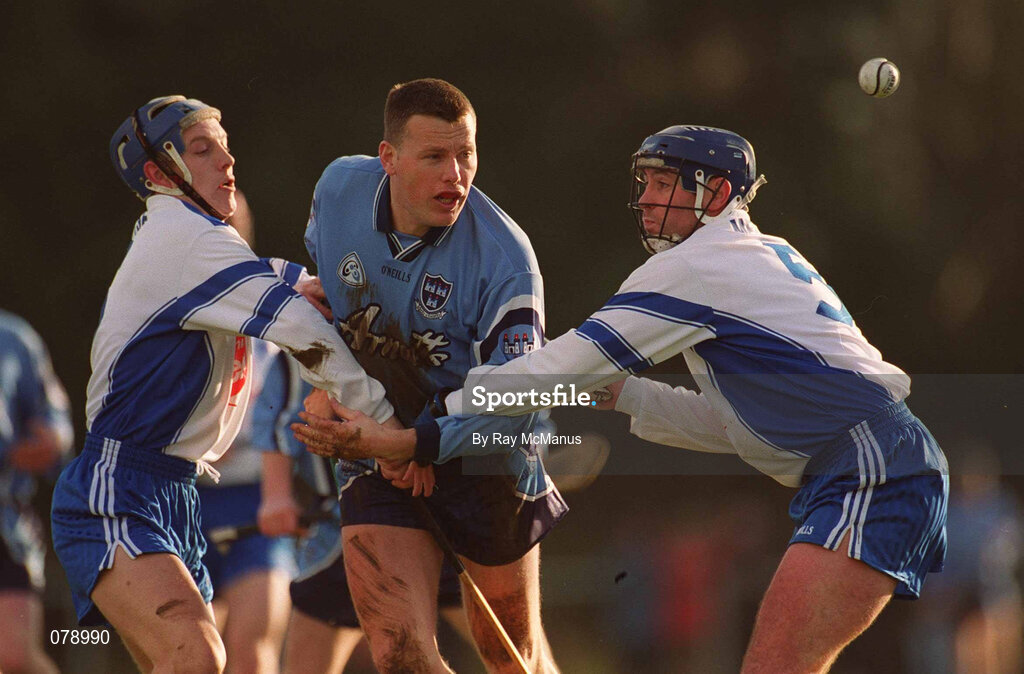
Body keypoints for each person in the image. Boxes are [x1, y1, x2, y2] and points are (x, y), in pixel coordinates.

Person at [299, 125, 950, 673]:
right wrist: (621, 393)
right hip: (876, 462)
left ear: (717, 194)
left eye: (667, 183)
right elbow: (737, 427)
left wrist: (426, 429)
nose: (647, 197)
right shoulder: (756, 252)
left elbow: (560, 366)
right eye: (646, 181)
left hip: (871, 468)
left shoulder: (697, 265)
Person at [50, 95, 394, 674]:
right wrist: (390, 431)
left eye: (226, 147)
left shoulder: (189, 235)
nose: (228, 161)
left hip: (174, 490)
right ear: (160, 174)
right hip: (118, 489)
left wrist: (307, 284)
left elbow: (275, 281)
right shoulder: (184, 235)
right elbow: (306, 333)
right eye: (202, 150)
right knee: (199, 656)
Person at [294, 78, 565, 673]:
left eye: (466, 154)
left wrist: (417, 442)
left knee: (509, 657)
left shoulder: (507, 263)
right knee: (398, 652)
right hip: (378, 446)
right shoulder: (338, 188)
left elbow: (517, 407)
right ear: (388, 158)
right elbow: (327, 293)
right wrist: (327, 379)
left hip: (486, 461)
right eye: (435, 156)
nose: (456, 175)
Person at [256, 349, 472, 674]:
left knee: (510, 655)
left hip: (442, 518)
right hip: (344, 528)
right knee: (401, 659)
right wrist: (277, 496)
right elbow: (277, 424)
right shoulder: (295, 351)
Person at [194, 192, 297, 674]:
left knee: (252, 650)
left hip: (258, 501)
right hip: (186, 502)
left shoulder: (275, 316)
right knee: (191, 653)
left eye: (230, 226)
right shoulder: (165, 314)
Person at [0, 310, 73, 674]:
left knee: (13, 656)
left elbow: (55, 419)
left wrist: (53, 441)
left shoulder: (13, 337)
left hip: (6, 522)